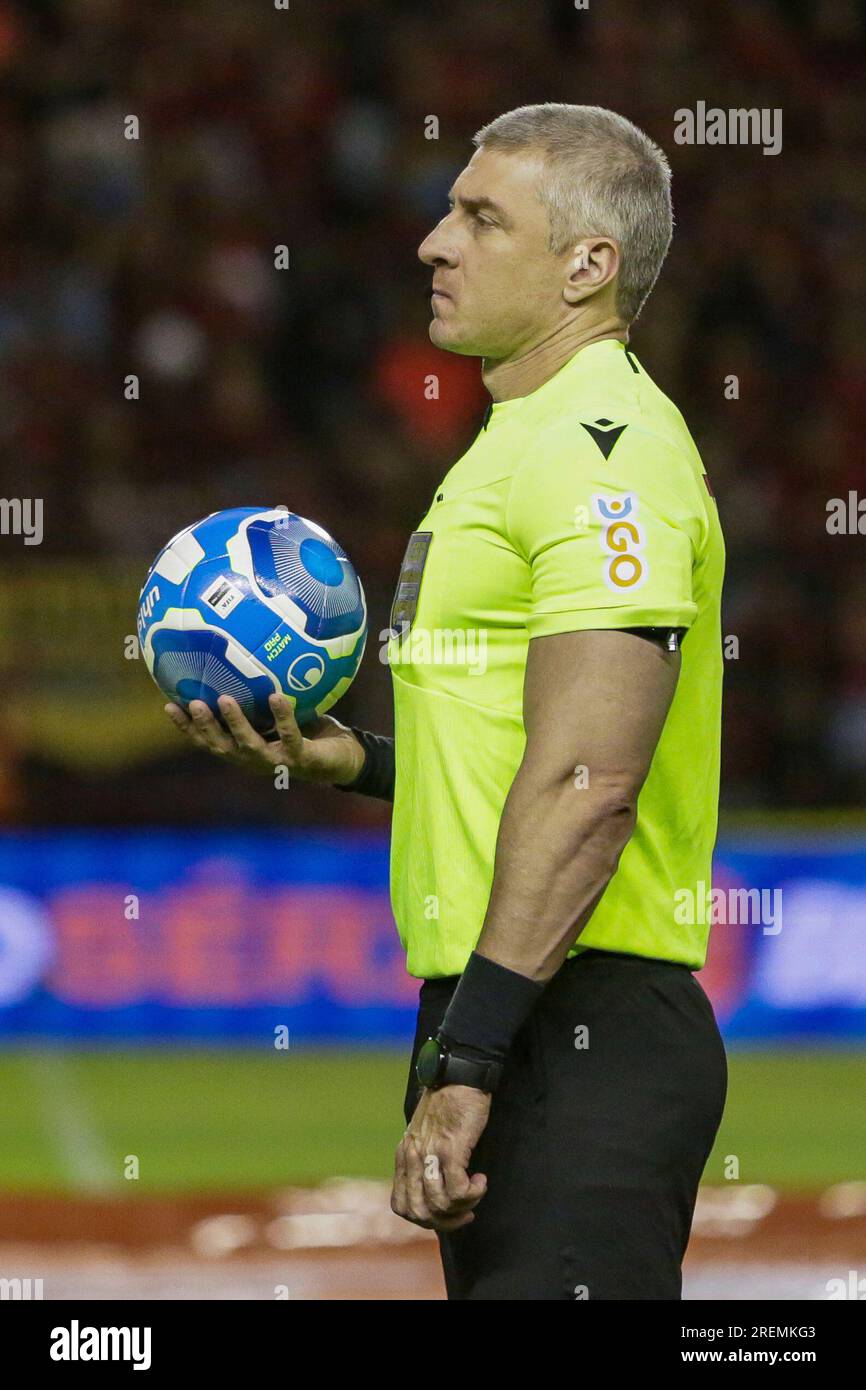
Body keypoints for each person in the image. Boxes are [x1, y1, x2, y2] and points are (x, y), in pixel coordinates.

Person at [167, 103, 727, 1301]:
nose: (433, 241)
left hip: (575, 1018)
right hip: (518, 1001)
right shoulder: (514, 439)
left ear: (588, 264)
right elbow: (523, 743)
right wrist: (360, 760)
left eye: (479, 217)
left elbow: (589, 784)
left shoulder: (599, 454)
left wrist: (470, 1056)